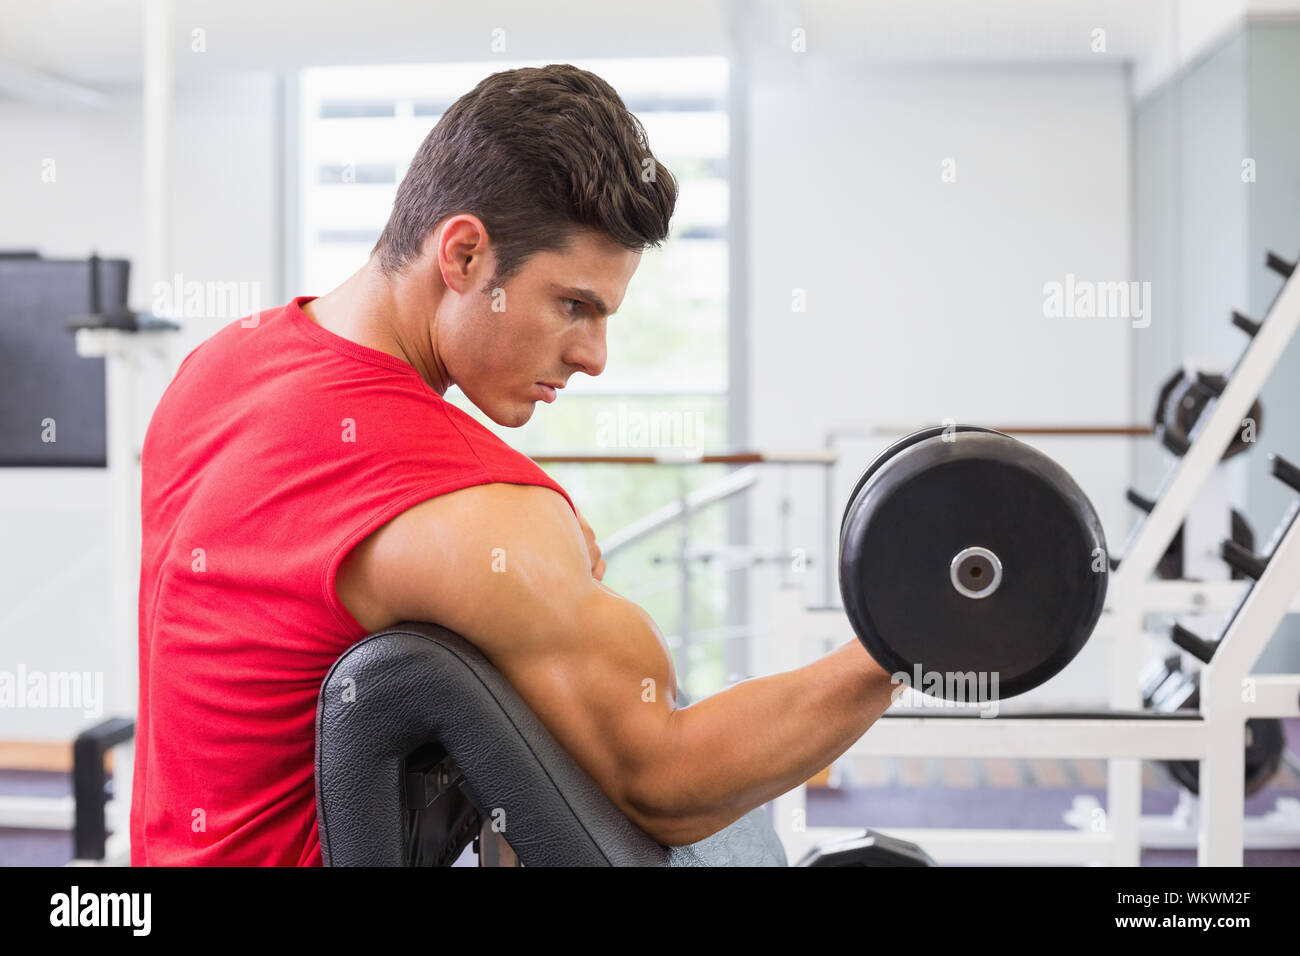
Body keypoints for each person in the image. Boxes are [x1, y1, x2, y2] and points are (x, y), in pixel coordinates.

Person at [132, 63, 895, 866]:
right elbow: (670, 775)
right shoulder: (471, 509)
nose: (595, 357)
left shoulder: (217, 366)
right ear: (462, 255)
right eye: (574, 305)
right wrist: (894, 650)